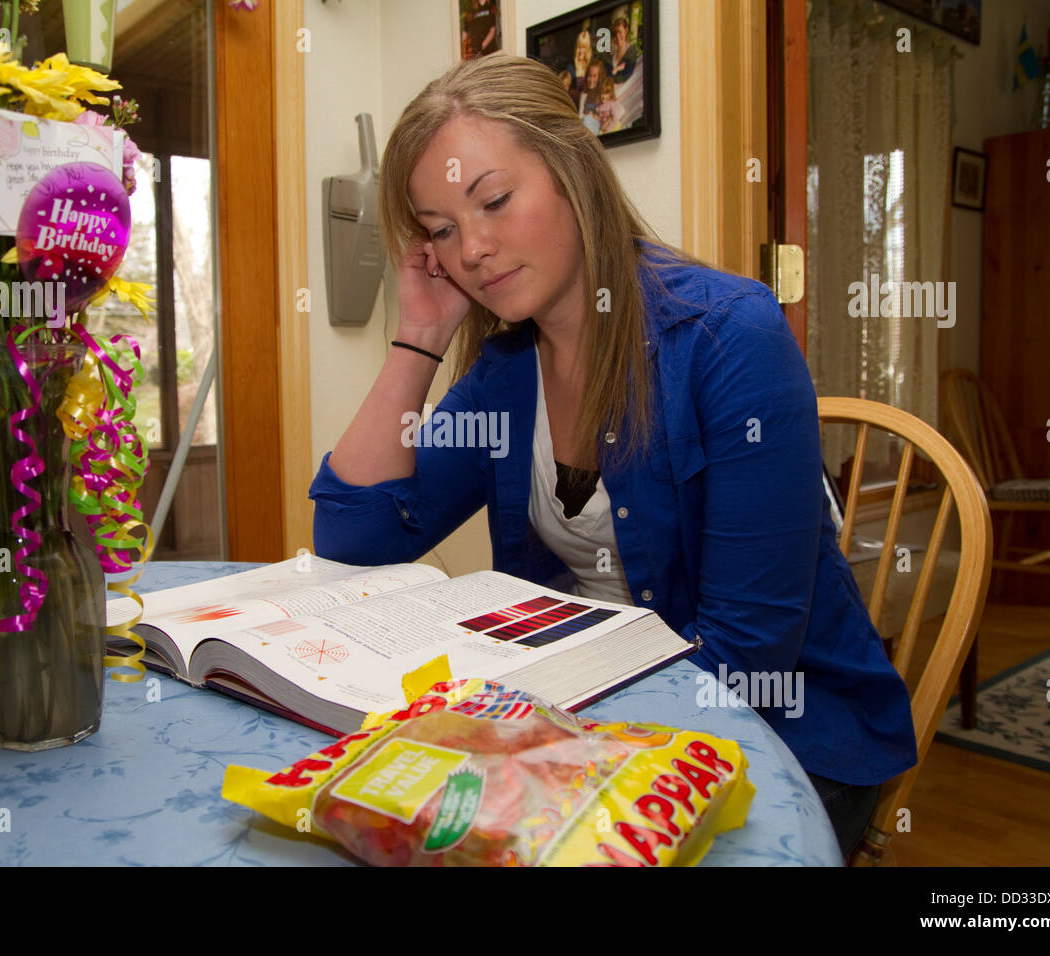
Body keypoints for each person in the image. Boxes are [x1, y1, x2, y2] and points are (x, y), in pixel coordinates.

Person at [308, 53, 916, 860]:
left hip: (784, 736)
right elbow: (354, 539)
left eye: (494, 200)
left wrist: (550, 753)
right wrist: (418, 336)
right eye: (442, 231)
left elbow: (745, 651)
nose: (475, 249)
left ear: (574, 172)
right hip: (586, 721)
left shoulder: (732, 337)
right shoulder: (504, 370)